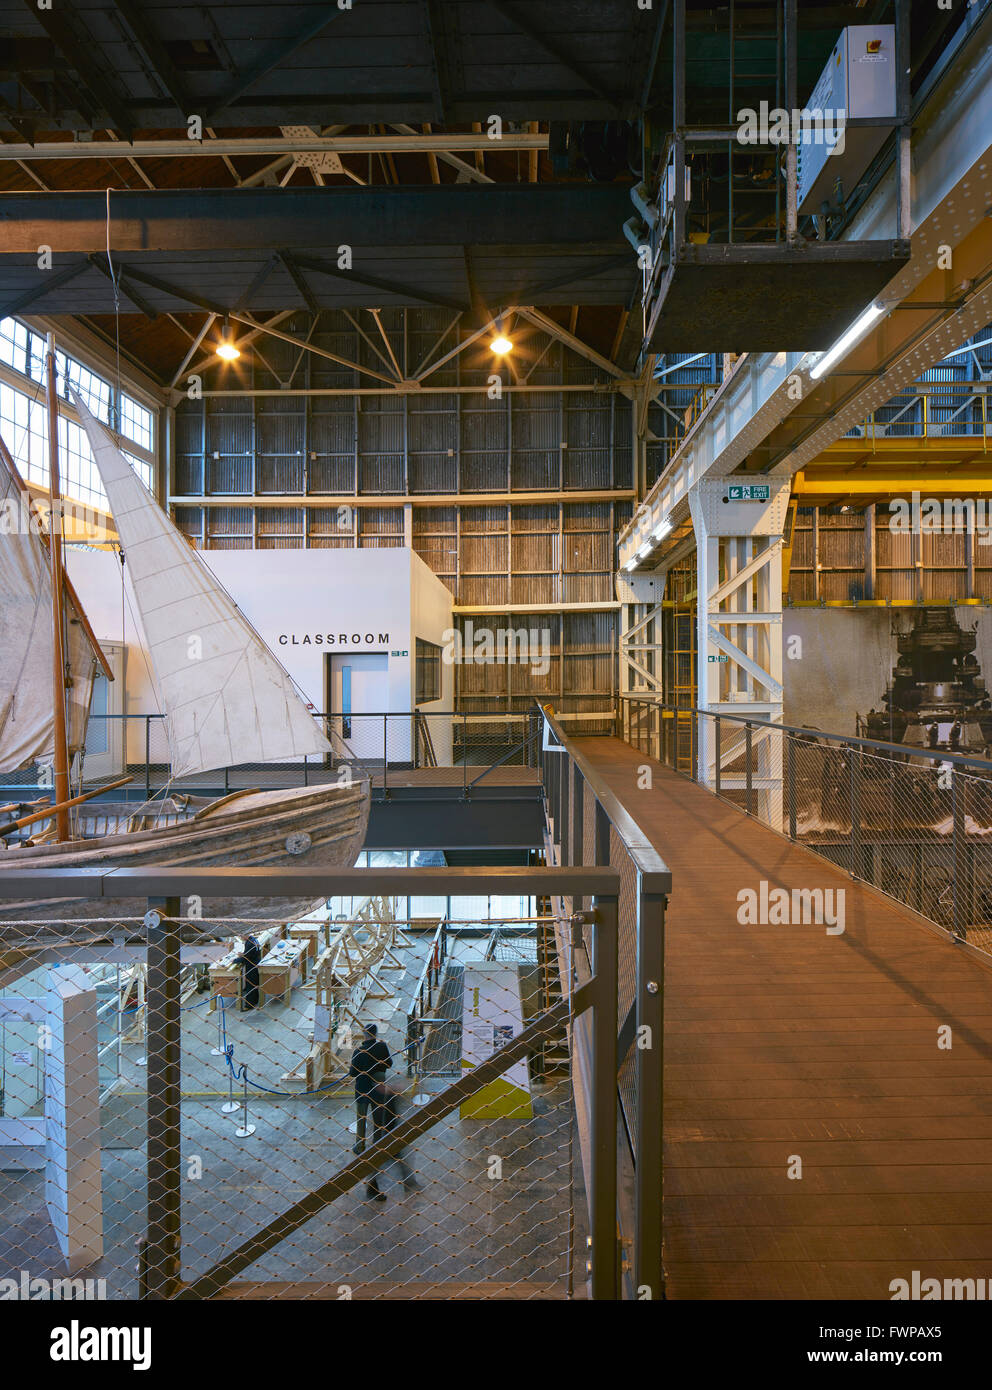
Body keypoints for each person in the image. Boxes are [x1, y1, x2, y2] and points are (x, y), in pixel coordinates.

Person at [364, 1079, 418, 1203]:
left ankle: (409, 1182)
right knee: (380, 1160)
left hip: (389, 1131)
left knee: (397, 1156)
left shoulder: (388, 1095)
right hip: (384, 1133)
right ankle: (372, 1189)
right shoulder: (378, 1095)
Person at [348, 1024, 392, 1155]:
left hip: (362, 1089)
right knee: (378, 1118)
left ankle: (360, 1146)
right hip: (377, 1089)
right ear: (376, 1033)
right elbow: (389, 1064)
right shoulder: (382, 1047)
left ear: (364, 1034)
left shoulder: (359, 1051)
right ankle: (378, 1144)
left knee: (361, 1119)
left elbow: (352, 1073)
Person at [232, 934, 261, 1011]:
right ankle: (255, 1001)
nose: (240, 938)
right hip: (255, 963)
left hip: (252, 966)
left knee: (250, 985)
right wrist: (243, 954)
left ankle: (249, 1005)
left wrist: (234, 961)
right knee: (254, 984)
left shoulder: (249, 943)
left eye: (241, 936)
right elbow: (248, 954)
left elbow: (245, 958)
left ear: (245, 935)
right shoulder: (253, 940)